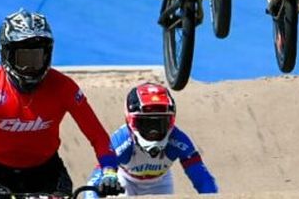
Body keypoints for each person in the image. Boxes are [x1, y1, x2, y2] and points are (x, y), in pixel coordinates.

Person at [0, 9, 123, 198]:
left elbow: (98, 136)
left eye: (36, 58)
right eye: (24, 59)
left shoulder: (64, 87)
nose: (31, 68)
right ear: (6, 54)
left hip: (49, 175)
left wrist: (109, 171)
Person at [81, 83, 217, 196]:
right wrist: (108, 175)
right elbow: (95, 181)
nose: (154, 132)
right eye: (146, 123)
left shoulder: (179, 140)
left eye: (160, 123)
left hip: (161, 184)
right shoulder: (121, 141)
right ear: (131, 121)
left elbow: (201, 177)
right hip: (126, 183)